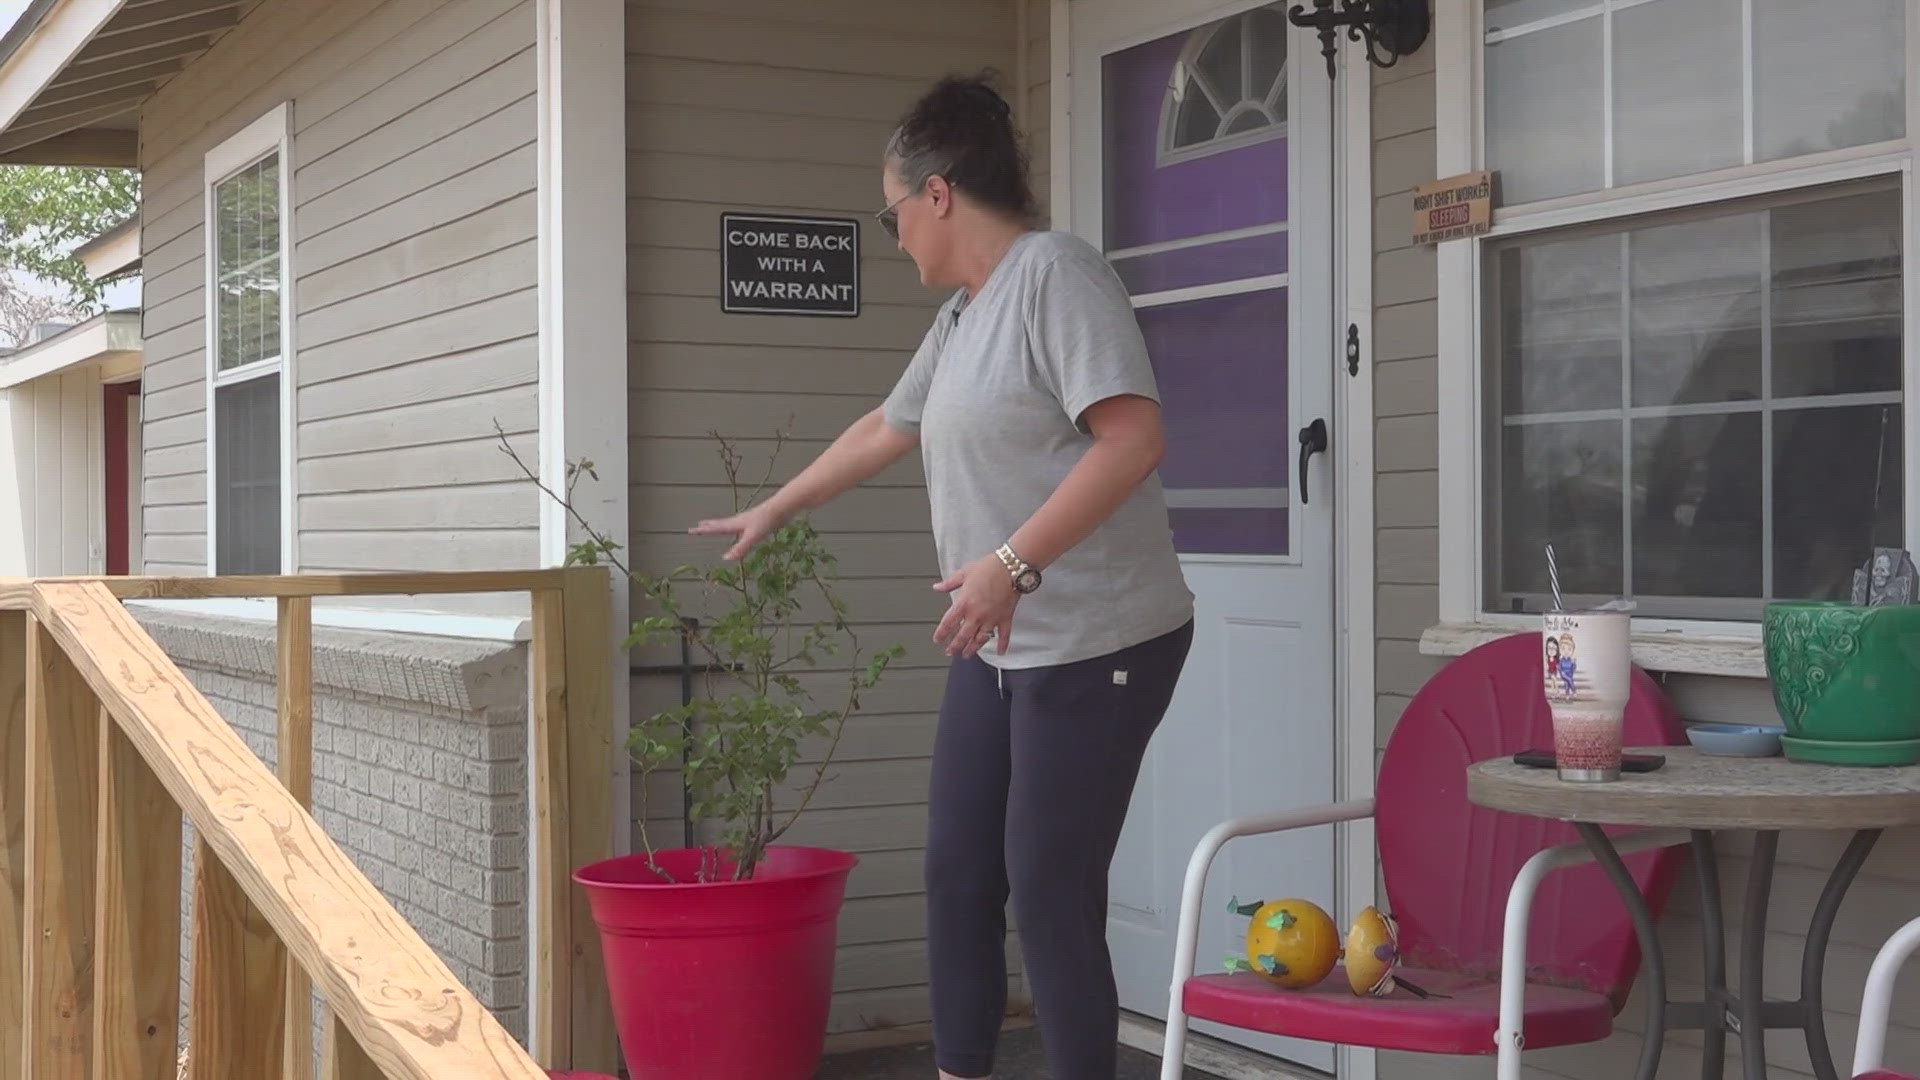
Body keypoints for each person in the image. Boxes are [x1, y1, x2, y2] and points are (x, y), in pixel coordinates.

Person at [689, 71, 1194, 1080]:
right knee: (959, 873)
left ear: (940, 194)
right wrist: (779, 506)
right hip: (1000, 636)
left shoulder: (1057, 276)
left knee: (1048, 886)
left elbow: (1133, 441)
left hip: (1102, 639)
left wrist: (1011, 563)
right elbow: (888, 424)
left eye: (892, 215)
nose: (897, 237)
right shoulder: (965, 317)